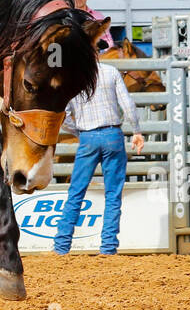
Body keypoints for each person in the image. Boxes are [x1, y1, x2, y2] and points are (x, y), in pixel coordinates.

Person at [53, 58, 145, 256]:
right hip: (113, 134)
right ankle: (108, 247)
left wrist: (80, 132)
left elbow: (63, 115)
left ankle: (61, 247)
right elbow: (128, 104)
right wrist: (136, 130)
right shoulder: (111, 72)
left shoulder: (73, 77)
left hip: (87, 136)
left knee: (76, 192)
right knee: (113, 194)